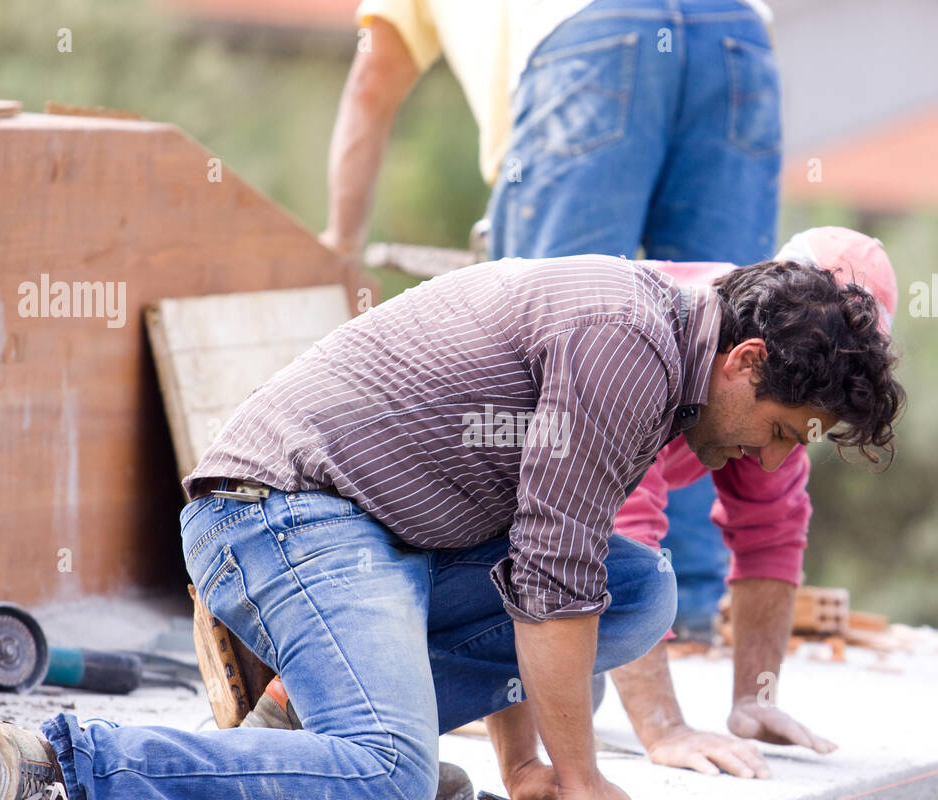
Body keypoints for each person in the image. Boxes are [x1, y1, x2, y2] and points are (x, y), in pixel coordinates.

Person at [0, 253, 903, 800]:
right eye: (784, 426)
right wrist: (582, 780)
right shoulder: (628, 343)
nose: (771, 455)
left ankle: (300, 706)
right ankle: (56, 760)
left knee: (639, 591)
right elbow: (550, 590)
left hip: (387, 534)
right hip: (278, 512)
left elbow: (531, 561)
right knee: (388, 784)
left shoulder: (665, 365)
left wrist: (528, 767)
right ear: (745, 362)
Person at [322, 0, 783, 681]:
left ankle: (577, 658)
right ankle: (680, 625)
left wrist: (341, 242)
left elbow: (371, 83)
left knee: (564, 358)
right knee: (729, 349)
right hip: (737, 36)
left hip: (592, 39)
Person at [606, 227, 900, 779]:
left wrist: (755, 697)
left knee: (582, 662)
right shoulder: (651, 346)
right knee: (553, 668)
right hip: (460, 514)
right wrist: (663, 728)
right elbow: (617, 534)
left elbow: (772, 529)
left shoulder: (784, 381)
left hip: (542, 535)